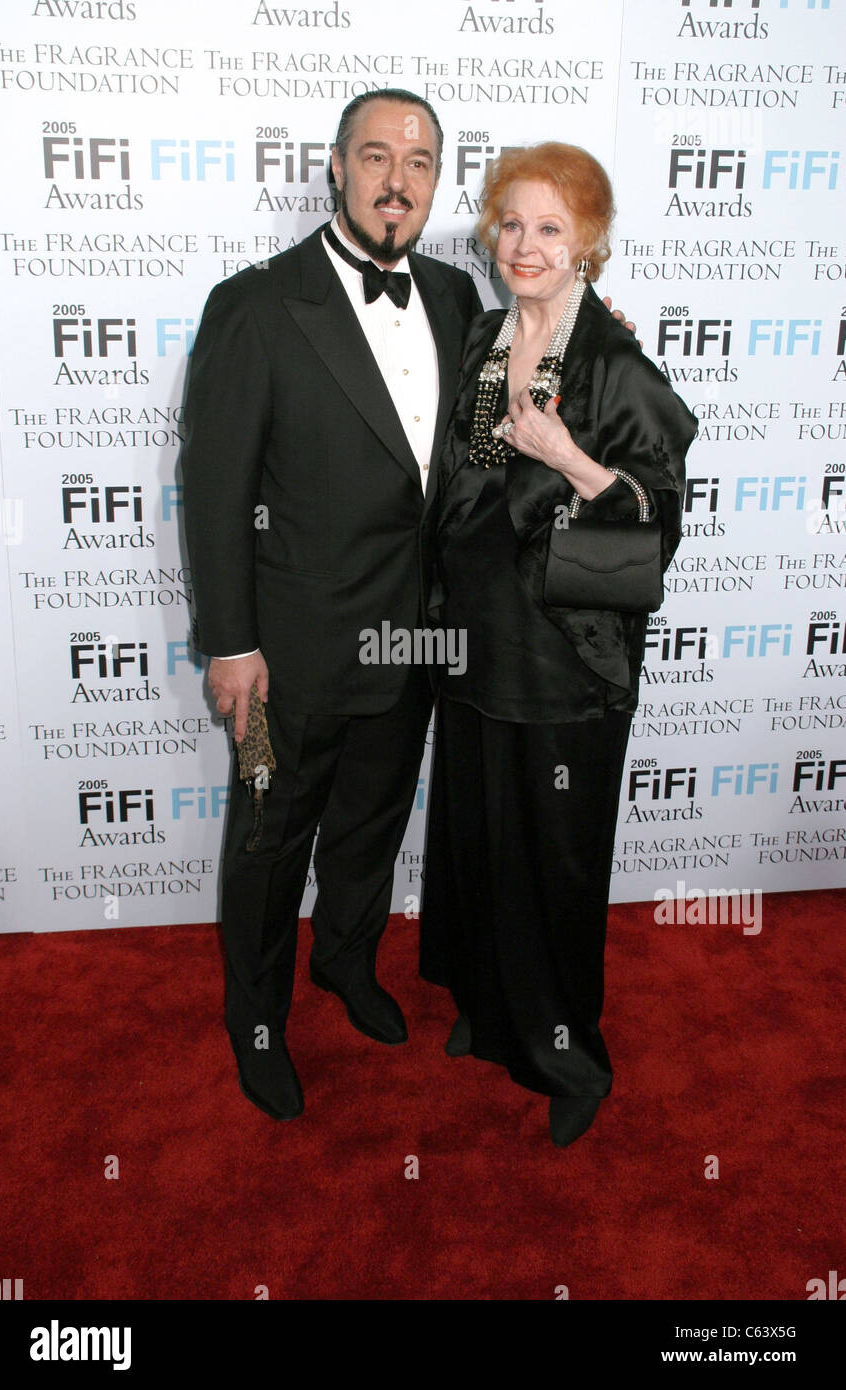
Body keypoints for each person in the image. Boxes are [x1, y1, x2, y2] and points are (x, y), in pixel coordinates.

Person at [181, 89, 482, 1122]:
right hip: (279, 661)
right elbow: (213, 491)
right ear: (337, 168)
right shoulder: (256, 304)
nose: (397, 179)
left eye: (419, 161)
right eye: (375, 155)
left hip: (412, 638)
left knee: (369, 824)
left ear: (436, 182)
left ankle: (344, 962)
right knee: (267, 840)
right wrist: (229, 647)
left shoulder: (453, 299)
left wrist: (590, 333)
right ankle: (255, 1018)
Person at [418, 142, 698, 1148]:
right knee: (478, 840)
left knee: (554, 860)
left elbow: (652, 527)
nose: (523, 245)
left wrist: (569, 457)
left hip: (564, 663)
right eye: (509, 223)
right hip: (470, 646)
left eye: (548, 227)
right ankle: (491, 1017)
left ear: (587, 242)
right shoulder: (485, 336)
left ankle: (569, 1053)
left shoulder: (616, 366)